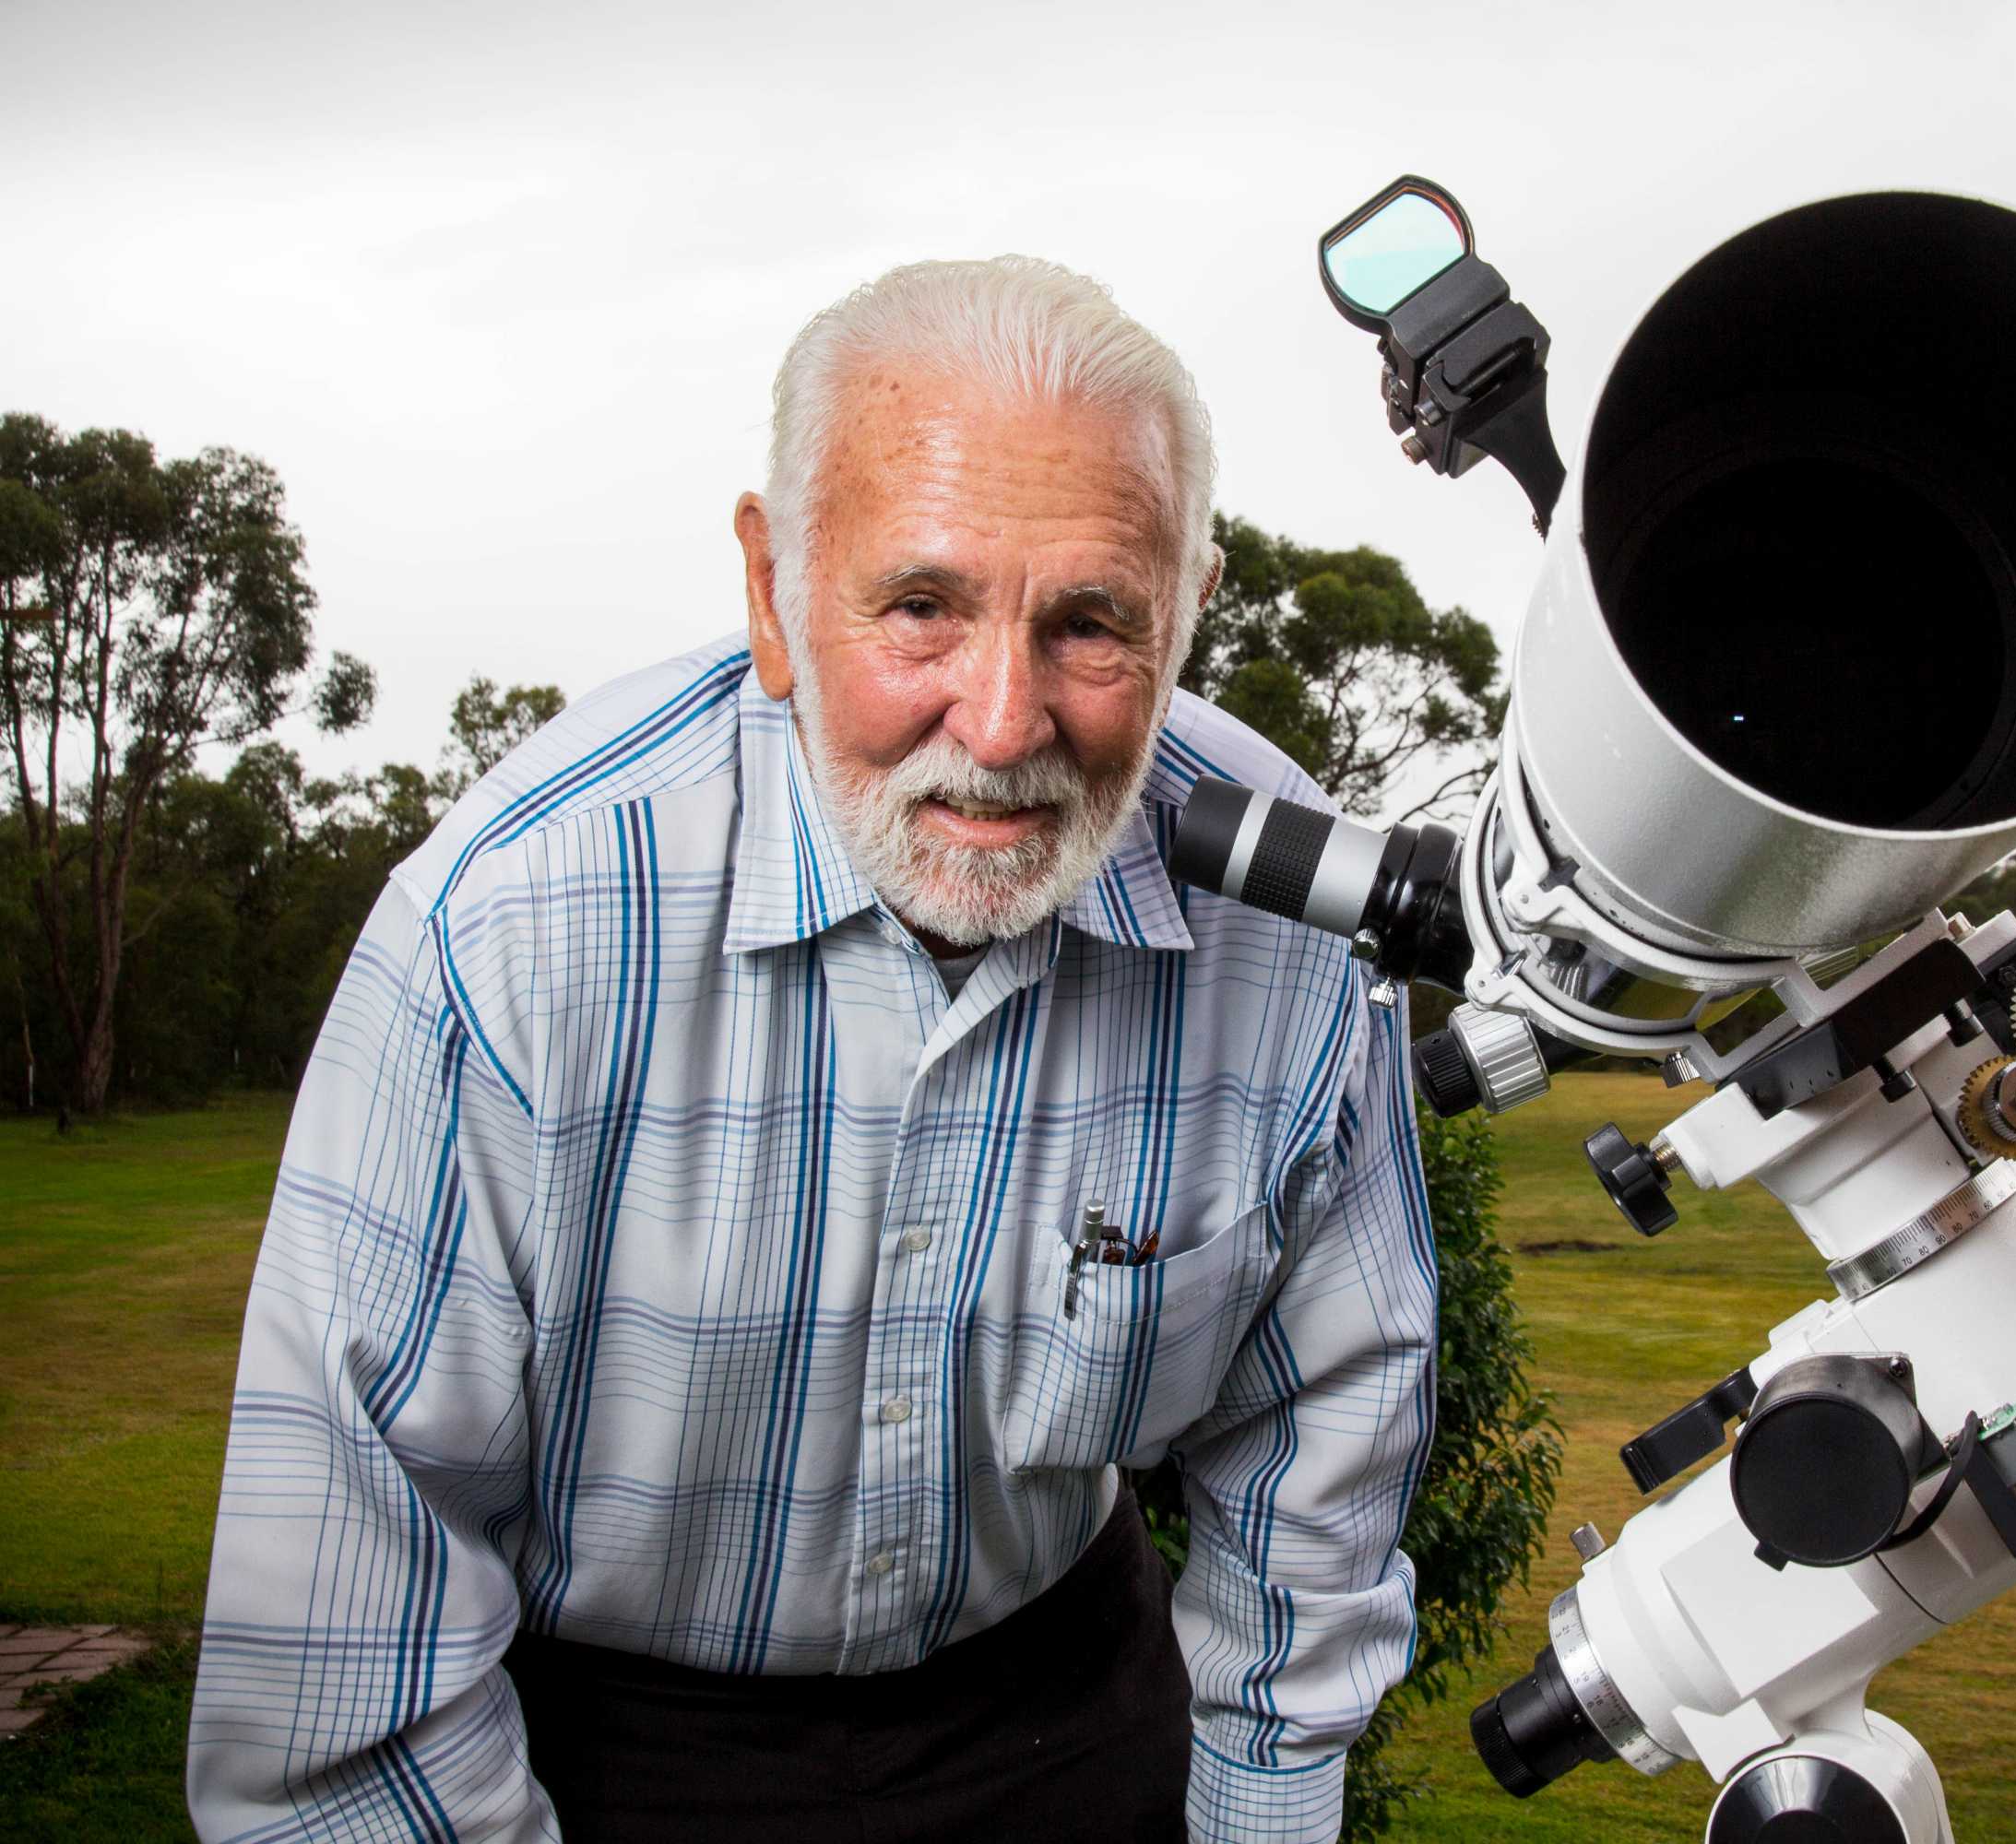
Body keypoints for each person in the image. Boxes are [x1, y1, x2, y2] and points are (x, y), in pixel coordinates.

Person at [187, 256, 1439, 1844]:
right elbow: (343, 1676)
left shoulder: (1291, 920)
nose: (1000, 723)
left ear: (1185, 609)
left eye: (1092, 627)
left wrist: (1263, 1812)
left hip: (1064, 1705)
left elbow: (1322, 1435)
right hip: (606, 1745)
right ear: (775, 597)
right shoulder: (509, 927)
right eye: (922, 607)